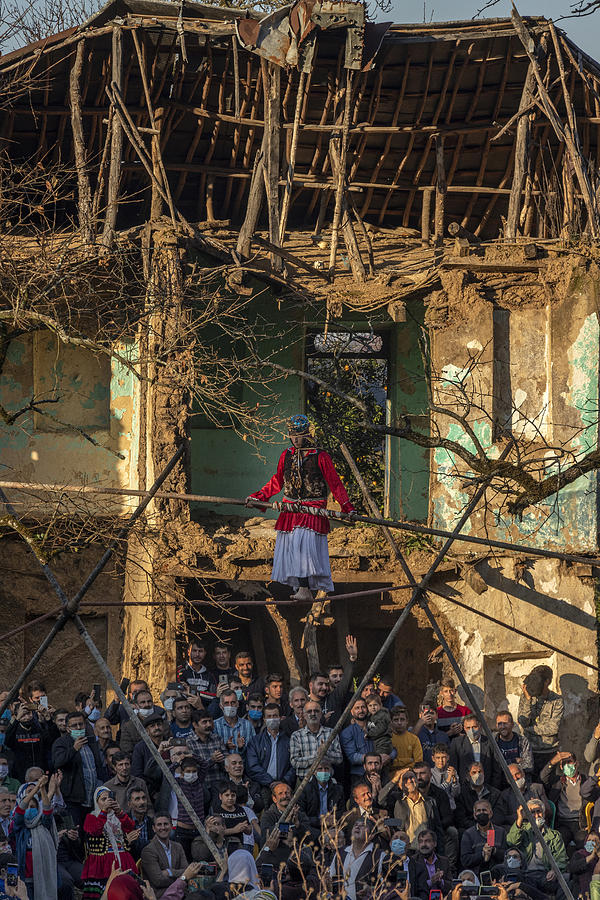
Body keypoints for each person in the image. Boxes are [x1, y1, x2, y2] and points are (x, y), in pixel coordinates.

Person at [247, 413, 355, 601]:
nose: (296, 440)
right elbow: (278, 480)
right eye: (293, 436)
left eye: (299, 435)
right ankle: (301, 588)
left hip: (312, 509)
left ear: (307, 434)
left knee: (302, 545)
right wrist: (259, 497)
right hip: (290, 509)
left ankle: (305, 589)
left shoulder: (321, 456)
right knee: (292, 548)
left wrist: (347, 507)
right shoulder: (286, 456)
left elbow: (335, 483)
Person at [81, 785, 137, 899]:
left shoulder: (118, 817)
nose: (108, 802)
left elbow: (130, 827)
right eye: (103, 799)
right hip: (102, 863)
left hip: (122, 859)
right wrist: (104, 812)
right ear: (97, 802)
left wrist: (119, 812)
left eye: (110, 798)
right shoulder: (92, 816)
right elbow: (95, 830)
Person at [12, 775, 61, 900]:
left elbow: (46, 808)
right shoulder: (20, 827)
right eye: (28, 807)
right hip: (25, 877)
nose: (29, 809)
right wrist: (36, 788)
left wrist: (43, 789)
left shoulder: (44, 824)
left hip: (43, 876)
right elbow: (20, 808)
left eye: (33, 807)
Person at [52, 711, 105, 826]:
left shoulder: (90, 742)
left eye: (81, 724)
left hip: (93, 799)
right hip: (73, 800)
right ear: (67, 728)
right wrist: (74, 749)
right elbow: (58, 762)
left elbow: (98, 766)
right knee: (77, 833)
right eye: (74, 725)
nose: (78, 727)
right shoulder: (61, 743)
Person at [506, 799, 568, 895]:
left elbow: (561, 858)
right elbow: (511, 842)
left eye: (538, 811)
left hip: (545, 874)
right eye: (532, 812)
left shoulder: (554, 835)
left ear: (543, 813)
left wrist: (554, 870)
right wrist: (520, 819)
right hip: (525, 873)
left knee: (565, 881)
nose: (536, 815)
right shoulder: (523, 831)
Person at [517, 665, 564, 776]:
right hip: (528, 750)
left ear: (547, 681)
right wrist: (528, 700)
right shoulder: (527, 696)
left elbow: (553, 728)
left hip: (549, 751)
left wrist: (530, 729)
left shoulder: (557, 700)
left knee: (548, 786)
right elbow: (523, 722)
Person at [246, 703, 294, 804]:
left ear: (281, 718)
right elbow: (252, 767)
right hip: (263, 786)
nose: (272, 719)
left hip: (285, 786)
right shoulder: (255, 741)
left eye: (275, 716)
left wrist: (284, 782)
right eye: (269, 716)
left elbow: (293, 765)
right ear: (264, 719)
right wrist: (270, 782)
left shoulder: (289, 741)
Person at [540, 750, 586, 851]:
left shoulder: (585, 781)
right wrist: (553, 761)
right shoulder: (558, 781)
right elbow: (543, 777)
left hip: (580, 823)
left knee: (584, 843)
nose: (568, 766)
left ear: (576, 763)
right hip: (563, 823)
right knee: (557, 843)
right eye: (565, 764)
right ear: (561, 767)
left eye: (570, 763)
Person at [289, 701, 343, 780]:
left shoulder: (331, 733)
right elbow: (294, 762)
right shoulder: (296, 736)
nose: (313, 714)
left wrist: (326, 752)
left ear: (321, 714)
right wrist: (317, 756)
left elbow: (339, 759)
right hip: (304, 783)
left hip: (327, 781)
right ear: (304, 715)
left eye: (316, 711)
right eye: (309, 711)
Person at [329, 819, 381, 900]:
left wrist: (371, 889)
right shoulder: (340, 853)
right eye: (355, 824)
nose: (357, 826)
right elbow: (331, 879)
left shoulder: (380, 855)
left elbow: (386, 887)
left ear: (371, 835)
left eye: (363, 825)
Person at [392, 769, 443, 850]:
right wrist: (394, 780)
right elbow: (380, 799)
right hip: (407, 850)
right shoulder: (397, 801)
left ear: (416, 780)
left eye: (411, 777)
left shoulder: (429, 801)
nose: (409, 781)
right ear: (400, 784)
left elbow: (437, 827)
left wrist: (440, 852)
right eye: (405, 779)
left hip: (426, 849)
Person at [140, 815, 188, 898]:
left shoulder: (178, 846)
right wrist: (181, 878)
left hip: (180, 892)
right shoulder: (148, 851)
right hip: (159, 895)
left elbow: (186, 870)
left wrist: (170, 872)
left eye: (166, 824)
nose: (163, 827)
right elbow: (158, 881)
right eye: (159, 824)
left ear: (171, 826)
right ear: (154, 828)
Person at [5, 702, 53, 784]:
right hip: (21, 774)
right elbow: (7, 742)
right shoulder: (15, 730)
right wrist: (17, 719)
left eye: (28, 713)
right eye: (23, 715)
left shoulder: (38, 728)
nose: (27, 717)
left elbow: (50, 742)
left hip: (40, 773)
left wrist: (47, 718)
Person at [450, 714, 502, 789]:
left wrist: (492, 788)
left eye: (474, 727)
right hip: (465, 790)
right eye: (468, 728)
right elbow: (453, 768)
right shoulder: (457, 743)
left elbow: (497, 768)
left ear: (480, 726)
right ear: (464, 728)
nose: (472, 731)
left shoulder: (490, 742)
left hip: (487, 788)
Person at [297, 758, 344, 838]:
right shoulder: (305, 789)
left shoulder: (338, 789)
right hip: (312, 826)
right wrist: (319, 821)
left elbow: (342, 811)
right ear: (314, 772)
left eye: (326, 769)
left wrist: (334, 818)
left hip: (332, 825)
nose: (323, 771)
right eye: (320, 769)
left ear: (330, 771)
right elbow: (301, 815)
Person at [460, 798, 507, 874]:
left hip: (498, 875)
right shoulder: (468, 834)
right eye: (478, 811)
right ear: (474, 815)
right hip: (476, 876)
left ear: (490, 813)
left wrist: (494, 851)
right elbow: (465, 860)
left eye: (484, 810)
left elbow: (506, 855)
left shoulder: (501, 832)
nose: (481, 813)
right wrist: (482, 854)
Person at [496, 763, 548, 829]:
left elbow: (549, 812)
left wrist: (538, 805)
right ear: (507, 780)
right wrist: (521, 815)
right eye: (511, 776)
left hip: (538, 827)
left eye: (517, 774)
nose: (515, 778)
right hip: (517, 828)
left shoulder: (537, 788)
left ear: (523, 773)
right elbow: (502, 819)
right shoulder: (504, 795)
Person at [186, 709, 226, 792]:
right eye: (204, 722)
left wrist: (222, 760)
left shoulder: (217, 739)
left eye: (210, 721)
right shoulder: (189, 742)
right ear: (195, 725)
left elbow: (227, 763)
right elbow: (193, 768)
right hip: (202, 788)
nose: (209, 725)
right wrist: (212, 760)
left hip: (221, 787)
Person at [455, 761, 501, 832]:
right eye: (474, 772)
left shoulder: (495, 793)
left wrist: (486, 826)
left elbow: (499, 815)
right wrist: (478, 827)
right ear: (468, 776)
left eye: (480, 772)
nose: (478, 775)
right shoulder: (462, 795)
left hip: (491, 829)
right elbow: (461, 819)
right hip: (471, 830)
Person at [340, 699, 375, 781]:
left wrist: (388, 756)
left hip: (380, 772)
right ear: (352, 712)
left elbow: (391, 747)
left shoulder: (376, 727)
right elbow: (352, 757)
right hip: (360, 775)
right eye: (357, 708)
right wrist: (375, 759)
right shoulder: (347, 732)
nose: (361, 710)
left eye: (363, 707)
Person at [214, 691, 254, 756]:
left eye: (233, 702)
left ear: (237, 704)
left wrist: (241, 748)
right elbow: (213, 751)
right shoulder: (215, 725)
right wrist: (225, 747)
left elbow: (253, 750)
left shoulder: (247, 725)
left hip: (243, 764)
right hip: (223, 765)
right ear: (221, 706)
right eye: (226, 703)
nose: (230, 706)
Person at [416, 827, 453, 895]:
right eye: (421, 841)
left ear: (435, 843)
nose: (423, 844)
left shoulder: (444, 861)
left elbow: (450, 885)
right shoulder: (414, 861)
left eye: (427, 841)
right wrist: (431, 881)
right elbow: (414, 887)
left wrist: (440, 881)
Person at [495, 711, 533, 775]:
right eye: (499, 724)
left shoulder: (523, 741)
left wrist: (505, 763)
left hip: (520, 779)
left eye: (505, 723)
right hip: (500, 781)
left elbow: (529, 766)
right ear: (496, 726)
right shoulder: (493, 742)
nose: (502, 726)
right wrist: (514, 760)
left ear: (512, 724)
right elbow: (495, 766)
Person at [389, 706, 422, 773]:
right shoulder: (387, 739)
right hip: (391, 777)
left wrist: (402, 768)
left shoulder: (414, 739)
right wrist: (409, 760)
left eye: (402, 719)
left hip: (410, 776)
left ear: (407, 721)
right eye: (396, 720)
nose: (399, 723)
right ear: (391, 722)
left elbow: (418, 762)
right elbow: (389, 763)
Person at [568, 830, 600, 897]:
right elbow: (572, 868)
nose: (591, 842)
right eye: (589, 840)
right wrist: (591, 857)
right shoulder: (579, 854)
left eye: (594, 841)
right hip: (579, 892)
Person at [125, 787, 153, 856]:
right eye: (137, 799)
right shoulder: (123, 822)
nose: (142, 802)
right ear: (129, 804)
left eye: (144, 798)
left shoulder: (151, 822)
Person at [365, 694, 393, 758]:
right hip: (376, 743)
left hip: (383, 743)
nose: (373, 707)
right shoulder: (371, 716)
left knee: (379, 759)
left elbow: (380, 728)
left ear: (380, 705)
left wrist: (369, 734)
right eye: (370, 706)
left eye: (375, 705)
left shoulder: (382, 715)